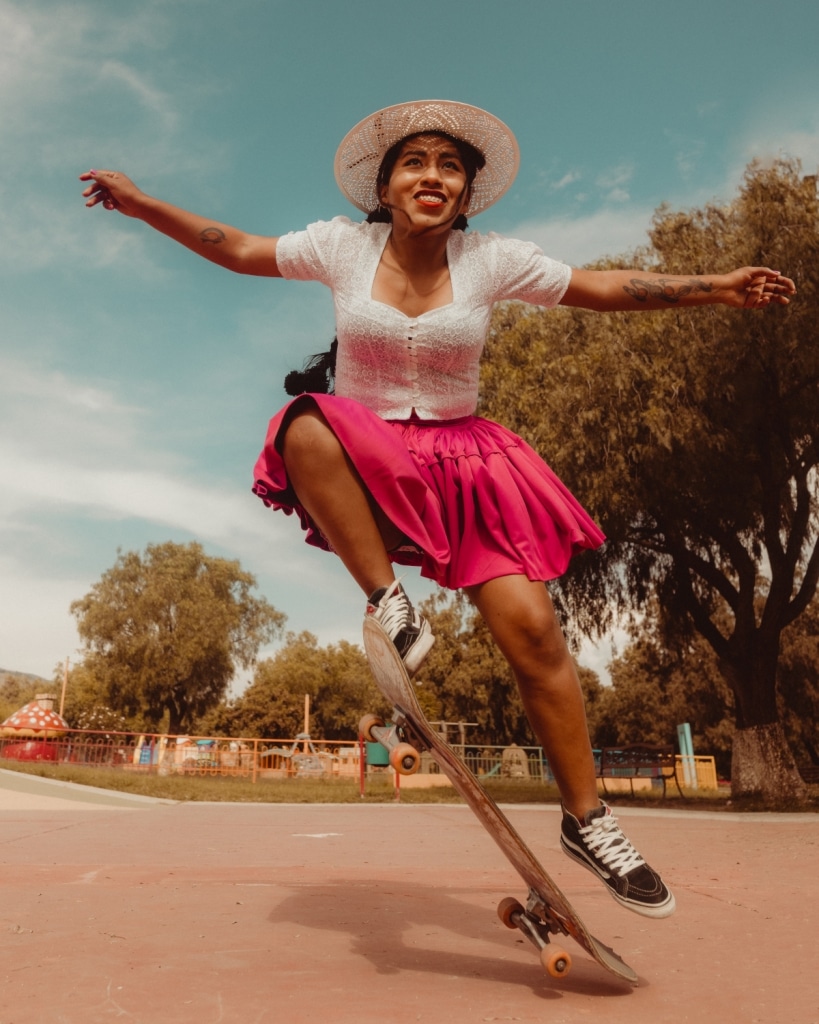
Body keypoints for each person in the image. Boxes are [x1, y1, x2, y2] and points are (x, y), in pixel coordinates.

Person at [80, 99, 795, 919]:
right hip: (366, 458)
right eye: (415, 162)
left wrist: (715, 289)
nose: (433, 176)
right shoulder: (339, 247)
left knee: (533, 633)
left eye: (449, 166)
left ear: (466, 192)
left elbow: (602, 288)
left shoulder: (492, 260)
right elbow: (236, 248)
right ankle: (389, 600)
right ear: (383, 187)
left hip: (467, 465)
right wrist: (140, 204)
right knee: (303, 424)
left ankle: (588, 820)